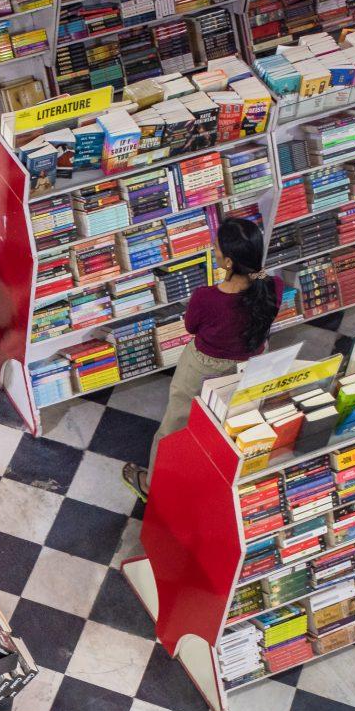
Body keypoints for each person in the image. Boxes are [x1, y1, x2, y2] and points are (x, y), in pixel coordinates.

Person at [122, 215, 284, 502]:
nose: (213, 248)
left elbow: (190, 328)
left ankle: (153, 485)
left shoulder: (206, 298)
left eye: (217, 246)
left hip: (204, 366)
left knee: (176, 424)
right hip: (250, 366)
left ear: (230, 261)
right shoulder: (274, 288)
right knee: (228, 425)